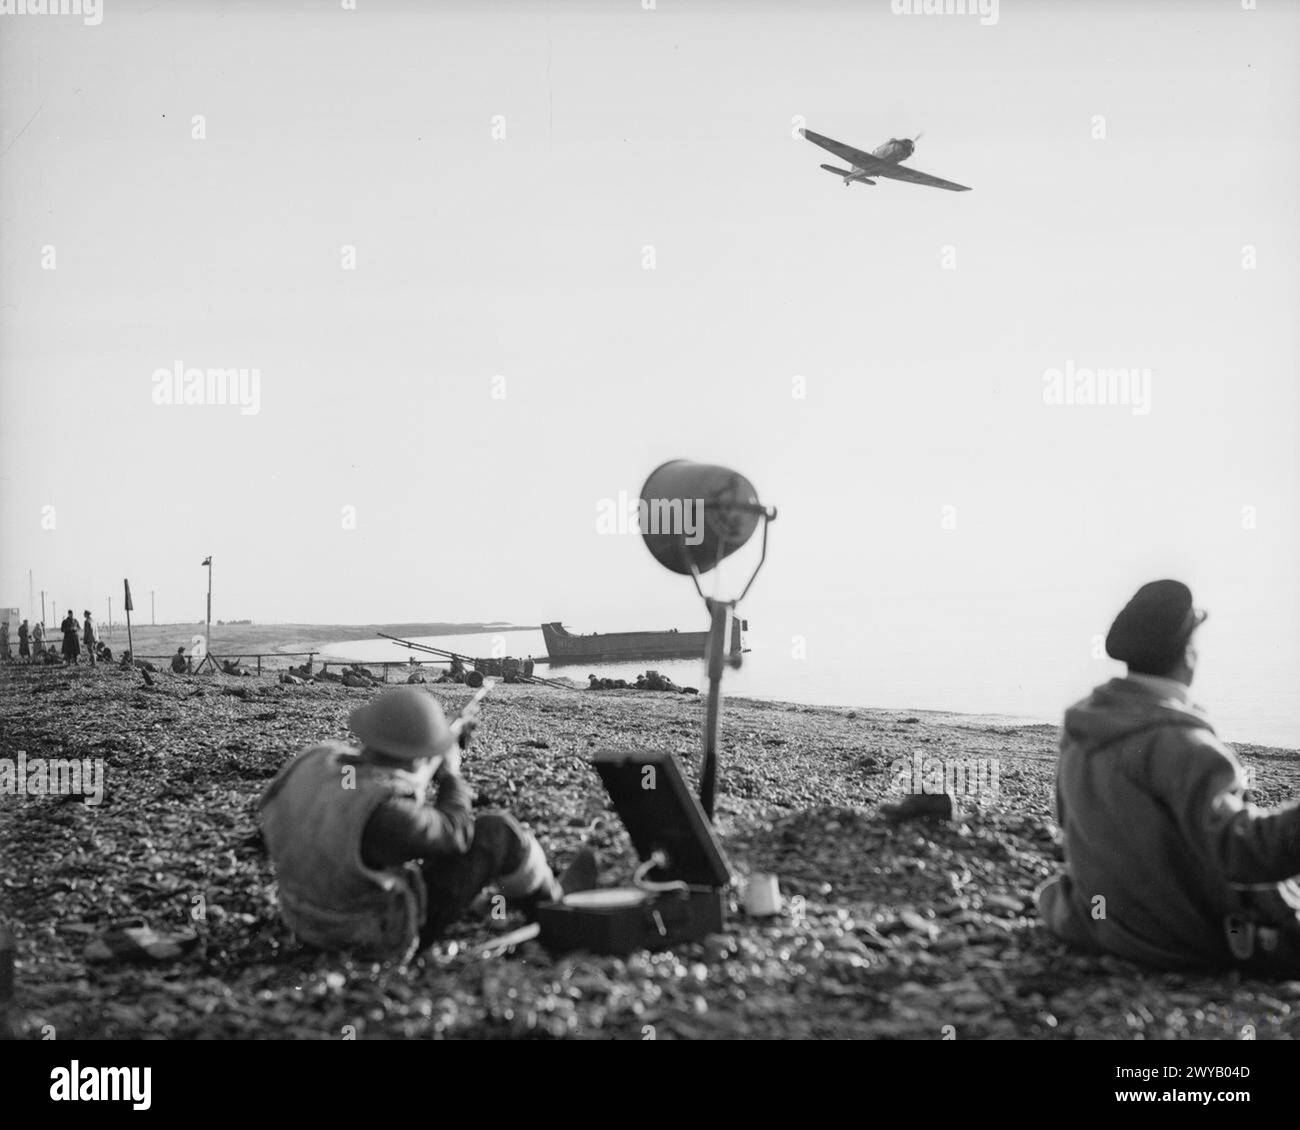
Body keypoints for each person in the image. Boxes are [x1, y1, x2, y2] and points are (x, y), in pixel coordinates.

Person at [1037, 580, 1300, 974]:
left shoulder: (1081, 727)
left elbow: (1065, 823)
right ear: (1189, 653)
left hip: (1100, 925)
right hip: (1178, 941)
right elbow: (1244, 853)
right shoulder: (1185, 745)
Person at [259, 687, 597, 960]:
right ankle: (555, 908)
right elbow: (456, 834)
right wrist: (451, 774)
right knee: (499, 832)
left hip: (305, 920)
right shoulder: (388, 815)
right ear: (420, 755)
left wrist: (431, 750)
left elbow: (362, 792)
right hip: (373, 937)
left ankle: (504, 901)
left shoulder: (315, 760)